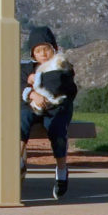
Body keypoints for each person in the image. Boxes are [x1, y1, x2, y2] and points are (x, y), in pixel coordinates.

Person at [20, 25, 77, 200]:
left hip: (57, 109)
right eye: (38, 51)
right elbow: (16, 84)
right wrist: (31, 93)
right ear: (33, 55)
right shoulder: (25, 69)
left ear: (55, 49)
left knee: (57, 130)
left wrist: (36, 79)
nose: (43, 54)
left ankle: (61, 170)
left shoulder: (62, 66)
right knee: (21, 119)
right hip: (33, 107)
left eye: (46, 49)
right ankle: (18, 161)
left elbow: (57, 84)